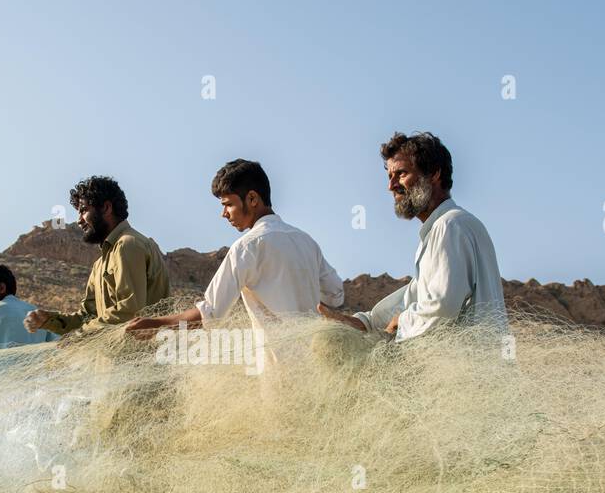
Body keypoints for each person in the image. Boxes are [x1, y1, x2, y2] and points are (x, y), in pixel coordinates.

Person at [125, 159, 344, 341]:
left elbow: (209, 315)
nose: (224, 214)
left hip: (279, 374)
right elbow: (335, 296)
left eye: (228, 204)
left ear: (252, 199)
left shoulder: (247, 247)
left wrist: (155, 324)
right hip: (318, 367)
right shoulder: (306, 241)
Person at [319, 132, 507, 341]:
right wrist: (364, 323)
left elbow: (441, 309)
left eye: (401, 174)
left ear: (434, 174)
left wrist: (402, 321)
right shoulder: (444, 228)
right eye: (389, 177)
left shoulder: (450, 226)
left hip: (471, 369)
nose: (391, 186)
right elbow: (412, 298)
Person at [24, 176, 170, 335]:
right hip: (113, 358)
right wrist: (48, 320)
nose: (79, 220)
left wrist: (79, 335)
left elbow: (130, 311)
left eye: (84, 210)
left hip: (142, 357)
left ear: (106, 208)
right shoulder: (99, 265)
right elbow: (87, 317)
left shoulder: (129, 245)